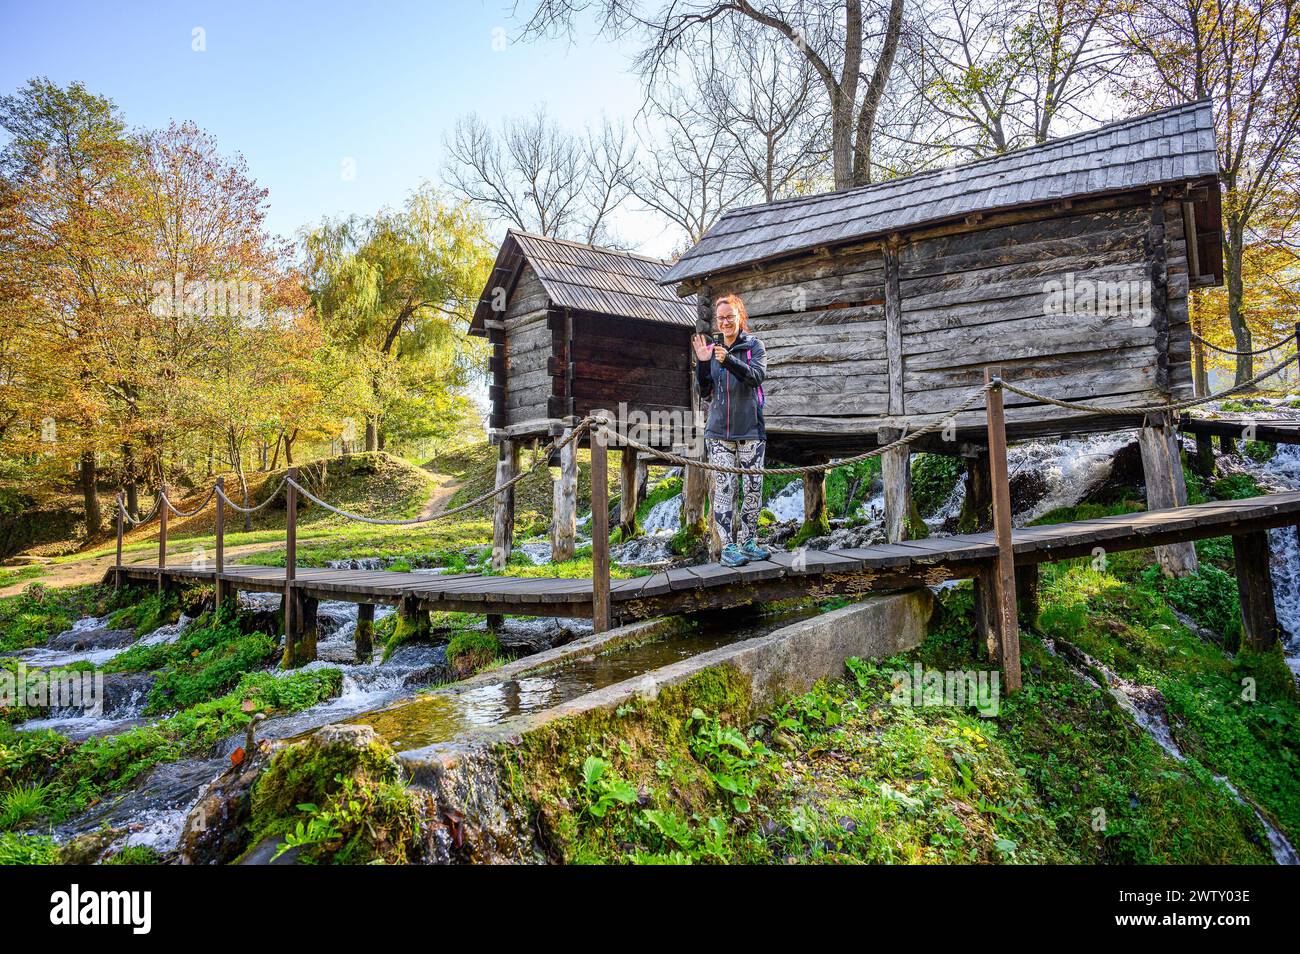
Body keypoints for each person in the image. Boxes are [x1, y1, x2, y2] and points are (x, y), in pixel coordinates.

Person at [691, 294, 770, 568]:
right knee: (724, 489)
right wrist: (703, 363)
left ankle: (749, 542)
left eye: (730, 317)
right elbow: (705, 391)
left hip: (751, 430)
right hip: (718, 433)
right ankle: (728, 547)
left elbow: (756, 377)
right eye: (720, 318)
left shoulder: (754, 346)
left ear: (740, 317)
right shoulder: (711, 351)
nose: (725, 322)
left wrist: (729, 362)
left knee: (752, 489)